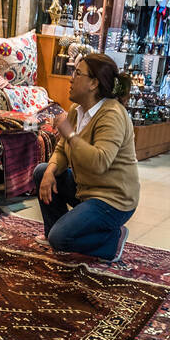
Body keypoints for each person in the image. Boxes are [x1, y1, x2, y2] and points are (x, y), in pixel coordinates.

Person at [32, 52, 140, 262]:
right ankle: (56, 230)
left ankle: (112, 239)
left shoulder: (113, 114)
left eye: (78, 73)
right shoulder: (76, 110)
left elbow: (99, 163)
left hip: (113, 199)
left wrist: (69, 133)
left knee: (60, 239)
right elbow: (63, 148)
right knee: (42, 171)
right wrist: (51, 170)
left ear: (93, 84)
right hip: (87, 189)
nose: (71, 78)